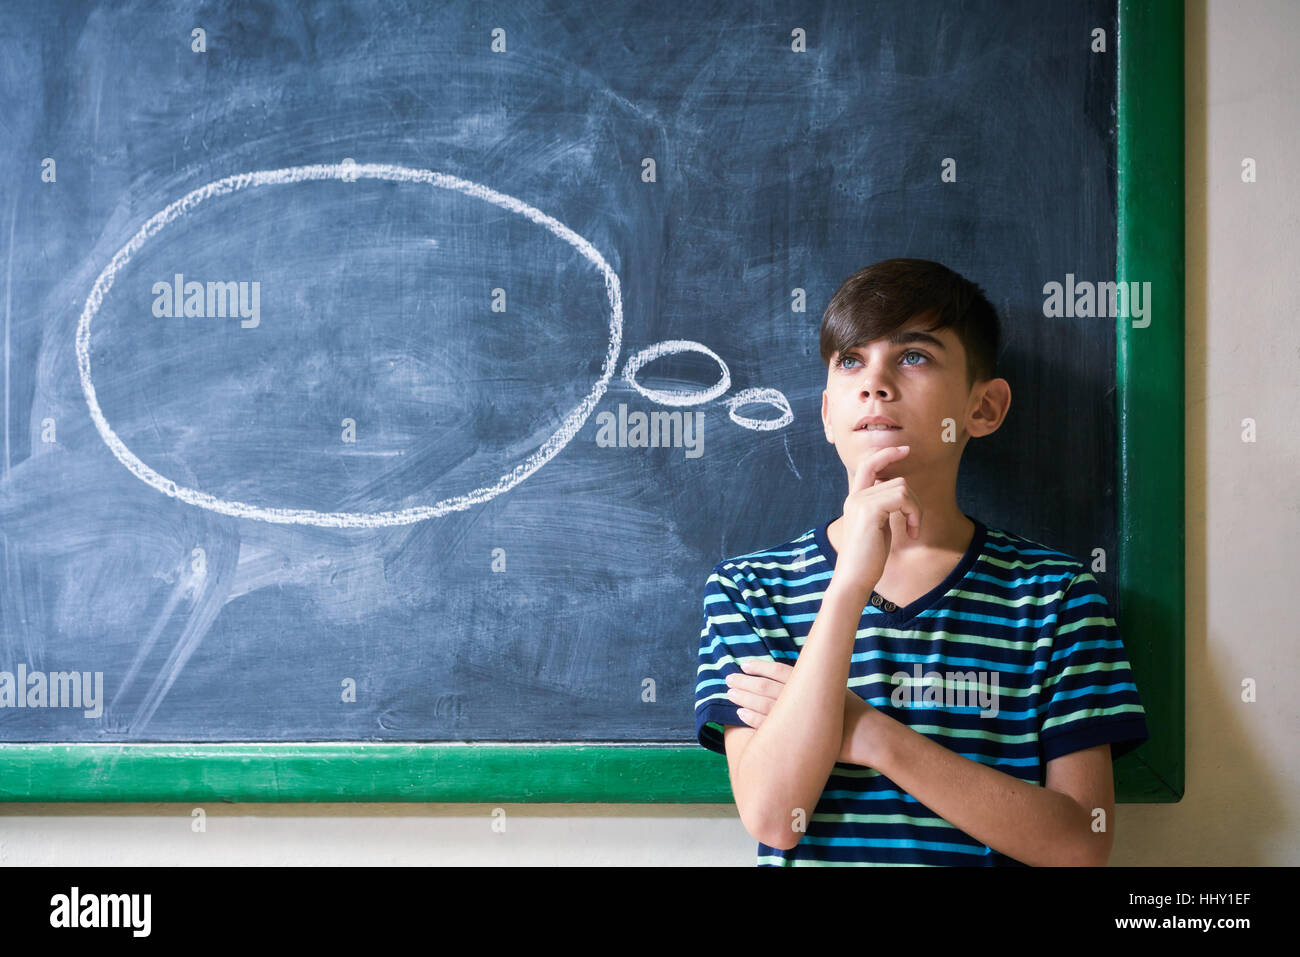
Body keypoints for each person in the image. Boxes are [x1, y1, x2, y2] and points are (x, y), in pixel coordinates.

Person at [694, 258, 1149, 866]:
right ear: (828, 413)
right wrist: (851, 580)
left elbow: (1079, 846)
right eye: (851, 360)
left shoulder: (1056, 598)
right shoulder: (750, 591)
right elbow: (777, 819)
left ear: (983, 408)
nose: (874, 382)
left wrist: (869, 733)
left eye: (914, 356)